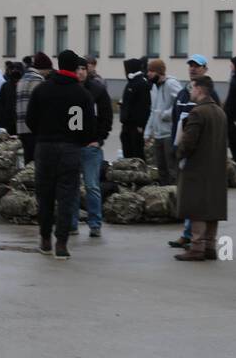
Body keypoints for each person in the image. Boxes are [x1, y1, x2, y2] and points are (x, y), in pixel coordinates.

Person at [25, 50, 95, 259]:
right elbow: (89, 128)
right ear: (75, 68)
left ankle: (45, 239)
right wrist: (78, 141)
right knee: (67, 196)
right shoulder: (82, 95)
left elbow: (30, 120)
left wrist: (43, 135)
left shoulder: (42, 90)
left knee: (44, 195)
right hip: (71, 149)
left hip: (45, 147)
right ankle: (62, 243)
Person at [166, 54, 219, 249]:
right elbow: (176, 121)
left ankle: (194, 239)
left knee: (195, 198)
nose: (192, 69)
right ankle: (188, 234)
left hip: (198, 155)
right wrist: (175, 147)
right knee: (186, 195)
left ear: (205, 69)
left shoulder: (210, 97)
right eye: (190, 66)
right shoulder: (182, 93)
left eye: (197, 66)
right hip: (183, 151)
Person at [173, 76, 228, 261]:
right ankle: (210, 247)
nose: (190, 91)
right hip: (217, 168)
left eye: (192, 88)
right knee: (213, 207)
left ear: (199, 89)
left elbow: (188, 142)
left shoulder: (198, 113)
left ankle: (197, 248)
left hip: (197, 167)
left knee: (196, 206)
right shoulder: (220, 112)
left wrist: (179, 154)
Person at [72, 59, 112, 237]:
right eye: (77, 69)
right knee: (71, 186)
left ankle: (95, 223)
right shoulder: (69, 90)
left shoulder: (97, 90)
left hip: (91, 146)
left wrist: (99, 138)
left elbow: (106, 116)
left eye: (83, 68)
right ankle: (72, 223)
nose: (80, 72)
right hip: (72, 146)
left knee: (92, 186)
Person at [16, 52, 52, 164]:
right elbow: (40, 106)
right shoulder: (38, 80)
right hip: (33, 129)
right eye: (48, 70)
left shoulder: (23, 79)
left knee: (28, 161)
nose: (49, 73)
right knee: (36, 164)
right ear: (44, 68)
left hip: (21, 128)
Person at [119, 57, 151, 160]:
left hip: (135, 126)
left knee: (136, 153)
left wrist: (140, 125)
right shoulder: (131, 82)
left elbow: (144, 106)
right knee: (127, 151)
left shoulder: (141, 83)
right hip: (127, 125)